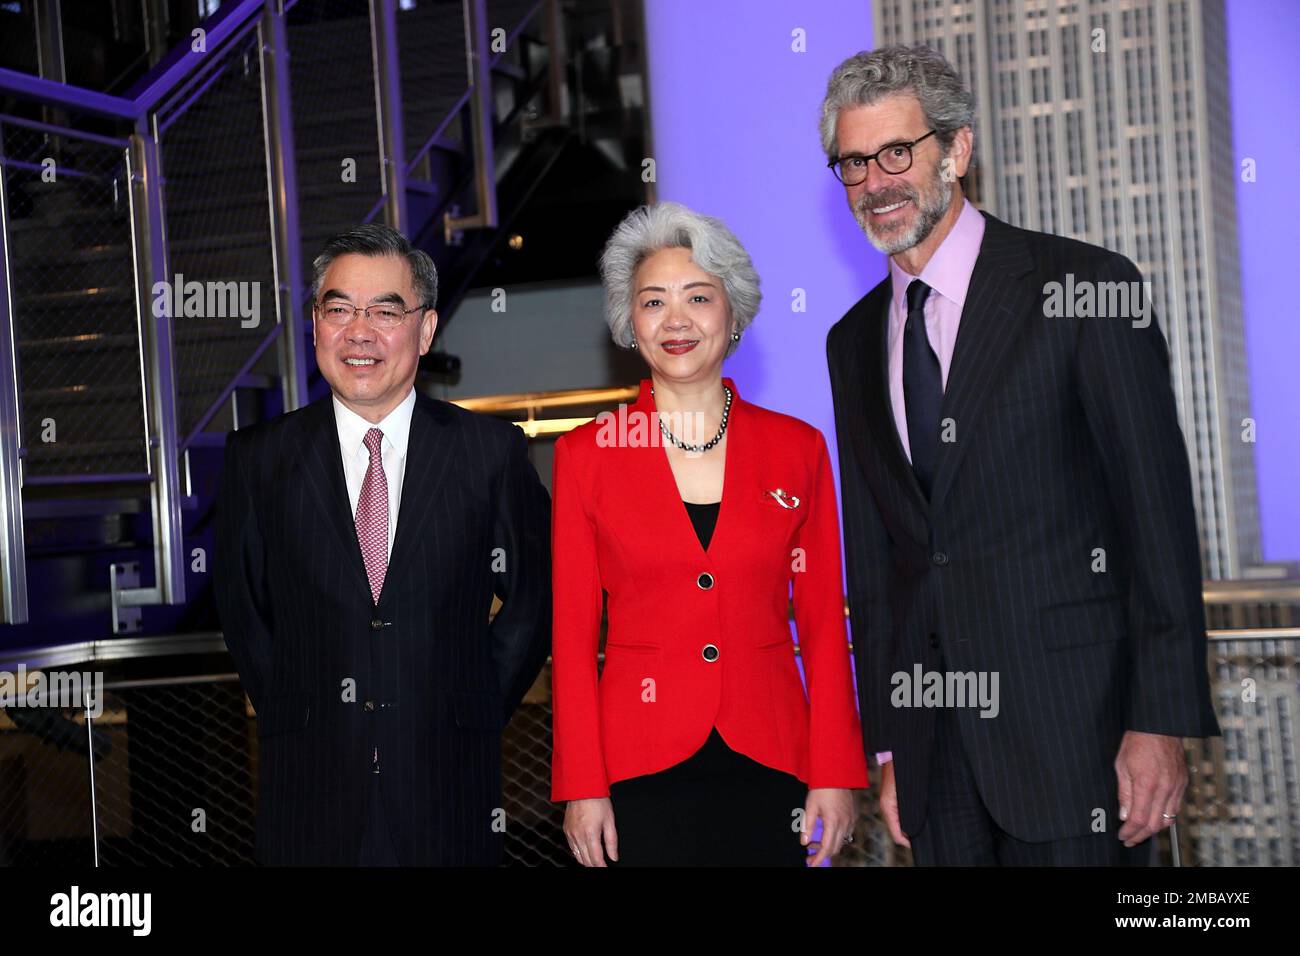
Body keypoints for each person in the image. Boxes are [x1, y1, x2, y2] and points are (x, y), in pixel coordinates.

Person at [821, 45, 1221, 865]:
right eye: (854, 164)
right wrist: (894, 748)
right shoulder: (850, 341)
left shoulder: (1085, 289)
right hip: (936, 765)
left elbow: (1157, 518)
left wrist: (1159, 721)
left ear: (957, 149)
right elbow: (879, 557)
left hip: (1082, 741)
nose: (876, 182)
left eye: (897, 152)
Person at [214, 223, 551, 865]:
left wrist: (470, 705)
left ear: (424, 331)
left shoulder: (488, 453)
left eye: (384, 311)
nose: (358, 332)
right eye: (338, 309)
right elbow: (243, 610)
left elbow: (536, 597)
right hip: (309, 796)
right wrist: (297, 713)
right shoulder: (259, 459)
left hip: (447, 791)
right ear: (315, 326)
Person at [551, 201, 868, 866]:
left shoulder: (798, 449)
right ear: (628, 322)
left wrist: (834, 769)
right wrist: (582, 785)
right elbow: (574, 639)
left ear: (732, 314)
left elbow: (821, 626)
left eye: (699, 297)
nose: (677, 320)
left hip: (772, 760)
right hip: (637, 769)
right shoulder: (588, 455)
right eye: (653, 301)